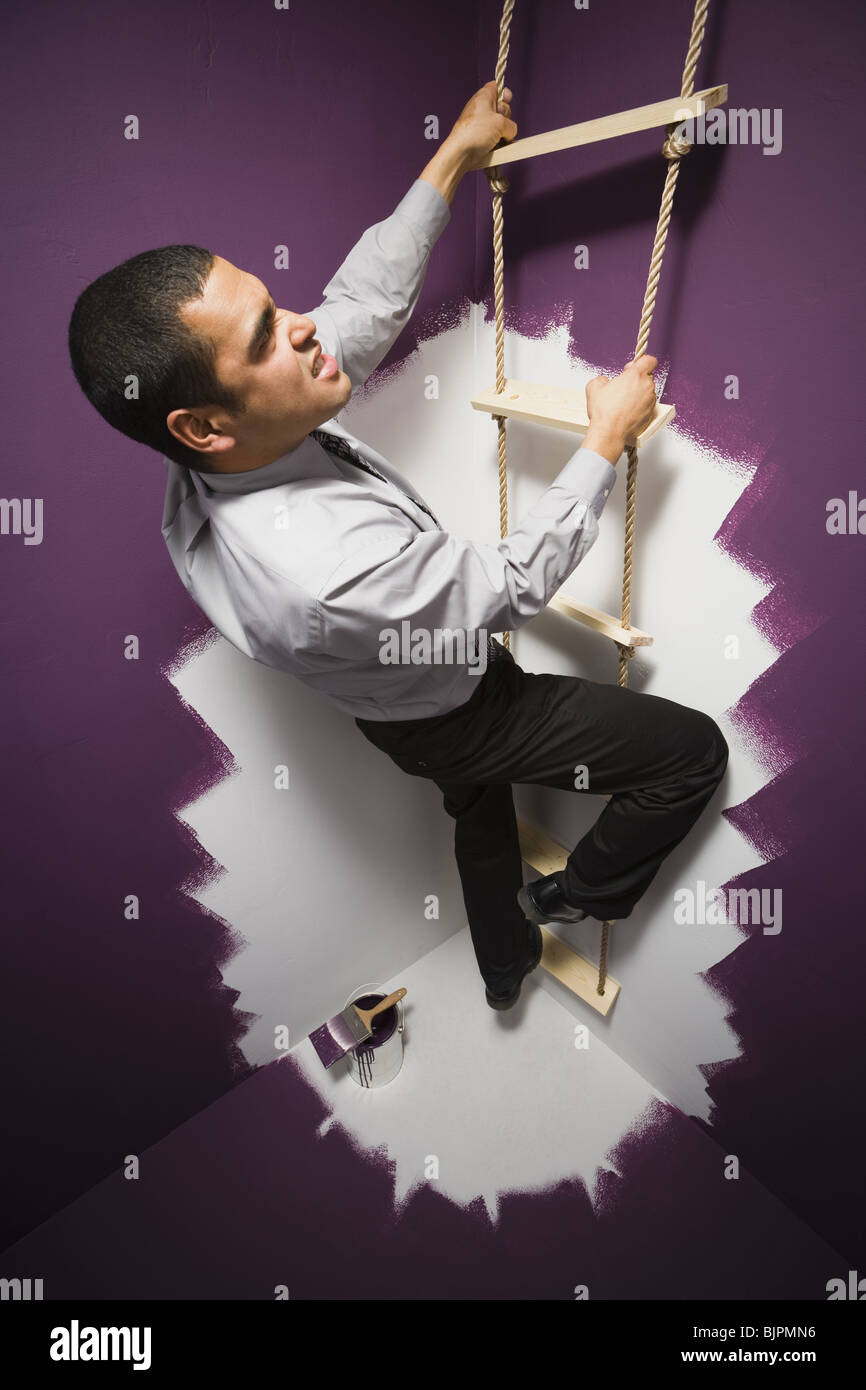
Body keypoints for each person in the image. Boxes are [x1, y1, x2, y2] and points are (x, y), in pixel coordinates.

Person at [67, 81, 728, 1012]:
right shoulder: (322, 571)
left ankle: (504, 969)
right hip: (458, 707)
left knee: (476, 804)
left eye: (272, 301)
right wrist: (604, 441)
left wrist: (454, 155)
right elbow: (510, 583)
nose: (302, 325)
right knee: (690, 753)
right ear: (205, 423)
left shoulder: (217, 454)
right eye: (266, 335)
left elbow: (357, 309)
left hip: (398, 712)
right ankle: (570, 898)